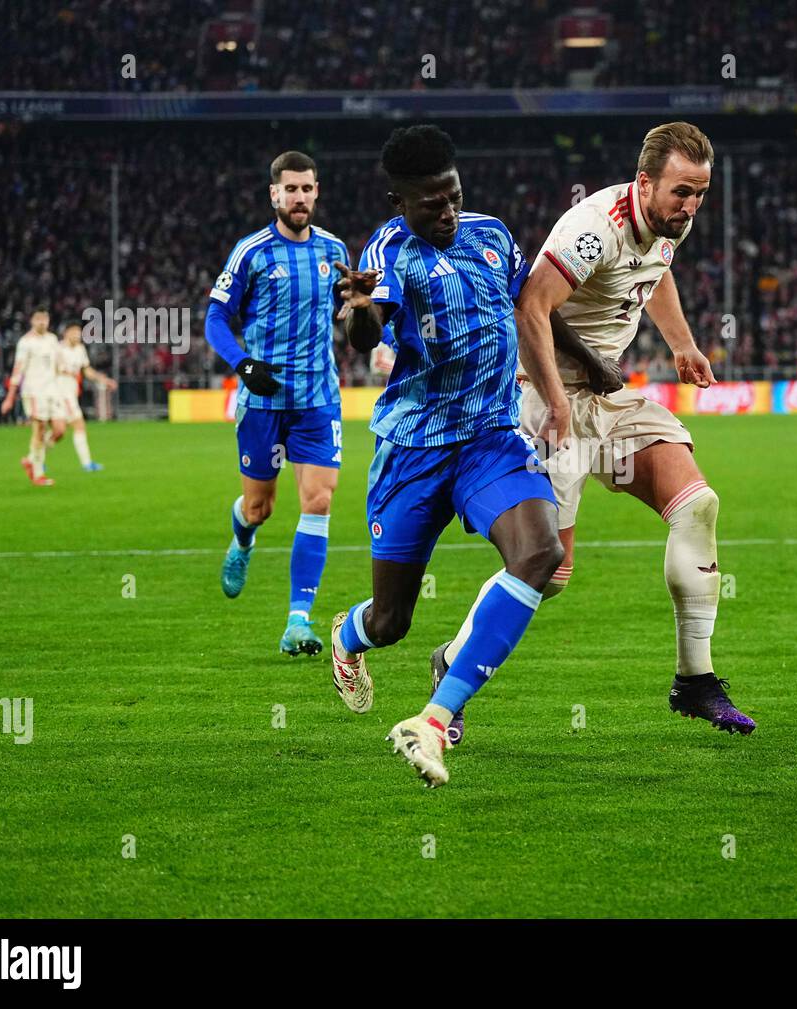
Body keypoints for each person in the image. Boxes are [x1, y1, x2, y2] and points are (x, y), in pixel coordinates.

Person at [330, 124, 564, 788]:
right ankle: (348, 638)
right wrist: (359, 308)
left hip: (490, 440)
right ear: (399, 201)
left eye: (453, 196)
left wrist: (588, 364)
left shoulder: (491, 234)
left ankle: (433, 717)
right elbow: (366, 326)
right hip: (413, 454)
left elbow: (531, 309)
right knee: (390, 619)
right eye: (431, 203)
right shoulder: (390, 250)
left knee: (541, 555)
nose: (447, 212)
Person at [512, 121, 755, 735]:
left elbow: (658, 271)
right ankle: (452, 668)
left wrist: (683, 345)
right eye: (681, 191)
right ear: (645, 183)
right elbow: (531, 306)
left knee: (697, 505)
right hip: (549, 399)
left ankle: (694, 682)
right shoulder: (593, 230)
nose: (692, 204)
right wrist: (556, 405)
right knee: (548, 573)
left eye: (701, 192)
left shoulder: (670, 222)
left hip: (609, 400)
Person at [204, 150, 350, 656]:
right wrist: (243, 364)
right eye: (291, 189)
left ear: (316, 191)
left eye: (307, 188)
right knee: (260, 506)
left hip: (318, 399)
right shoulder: (252, 252)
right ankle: (242, 536)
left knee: (319, 501)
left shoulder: (334, 251)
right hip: (263, 402)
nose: (300, 198)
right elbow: (215, 319)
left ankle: (298, 621)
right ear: (274, 195)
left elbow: (350, 312)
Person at [0, 308, 62, 486]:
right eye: (38, 318)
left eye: (45, 318)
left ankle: (30, 459)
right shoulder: (25, 342)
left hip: (52, 390)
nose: (42, 321)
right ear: (32, 320)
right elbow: (18, 370)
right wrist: (10, 397)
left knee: (59, 430)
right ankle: (38, 474)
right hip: (34, 391)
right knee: (40, 429)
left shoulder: (52, 339)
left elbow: (56, 365)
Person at [53, 322, 118, 469]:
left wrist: (104, 380)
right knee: (78, 425)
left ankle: (36, 458)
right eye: (74, 331)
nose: (78, 335)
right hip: (60, 394)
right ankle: (87, 463)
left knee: (59, 431)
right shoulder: (57, 349)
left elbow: (86, 370)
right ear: (66, 332)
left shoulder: (80, 349)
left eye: (79, 332)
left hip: (71, 393)